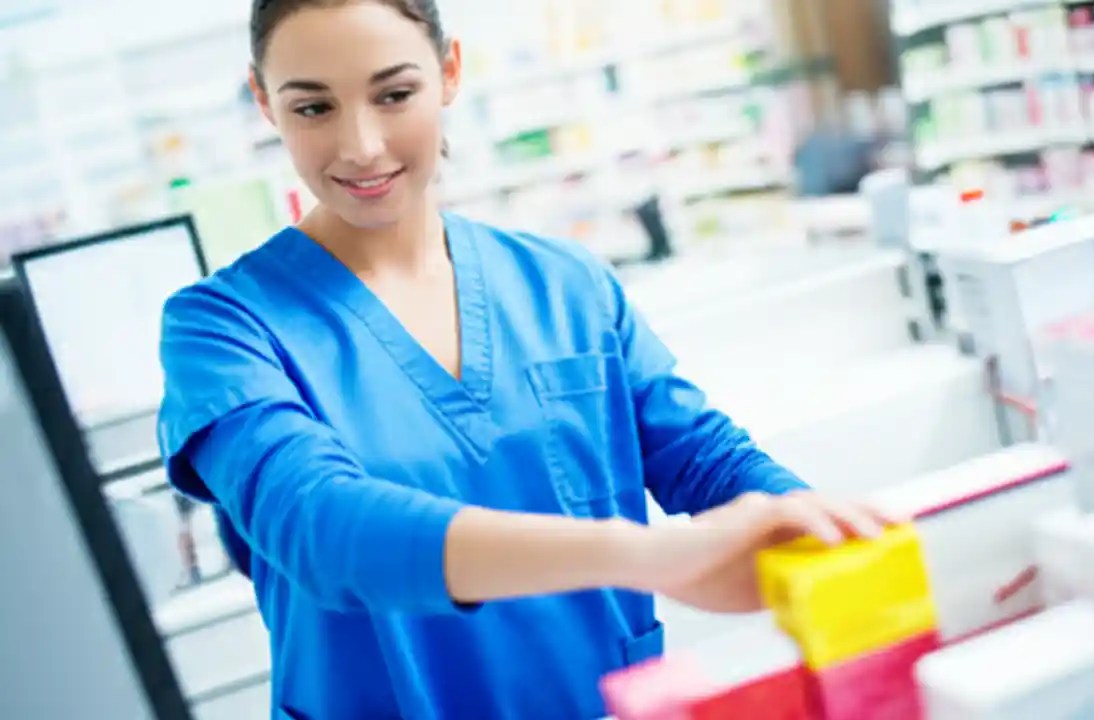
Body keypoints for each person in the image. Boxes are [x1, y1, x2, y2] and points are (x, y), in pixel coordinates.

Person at [157, 1, 889, 718]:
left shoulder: (565, 284)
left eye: (395, 93)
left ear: (448, 72)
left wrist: (830, 535)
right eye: (313, 108)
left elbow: (707, 461)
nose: (363, 146)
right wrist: (648, 556)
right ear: (264, 101)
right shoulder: (223, 329)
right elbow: (323, 528)